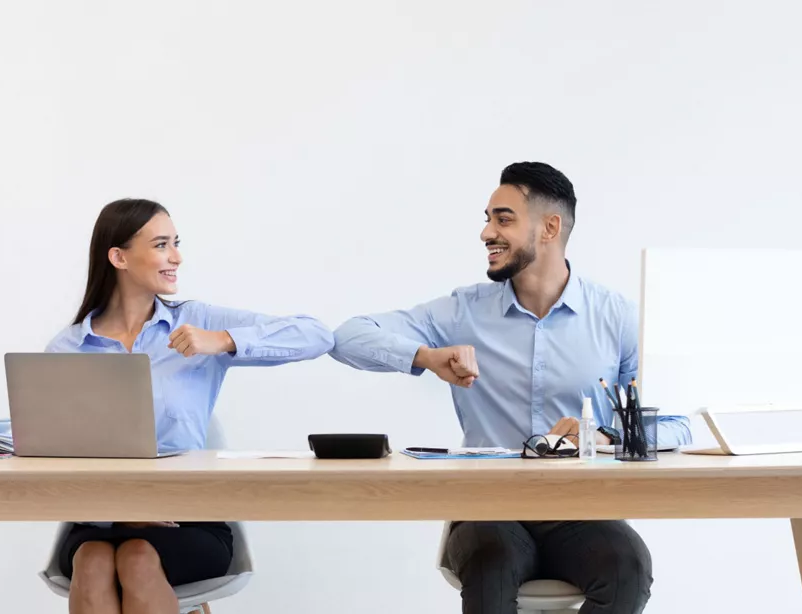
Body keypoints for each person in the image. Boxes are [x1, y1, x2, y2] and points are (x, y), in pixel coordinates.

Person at [330, 162, 687, 614]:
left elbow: (678, 425)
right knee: (493, 563)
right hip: (487, 506)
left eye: (503, 219)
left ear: (549, 227)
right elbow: (348, 336)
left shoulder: (616, 318)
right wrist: (427, 357)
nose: (485, 233)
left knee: (626, 567)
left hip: (581, 510)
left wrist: (605, 437)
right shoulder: (463, 311)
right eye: (487, 218)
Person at [44, 198, 333, 614]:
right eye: (162, 244)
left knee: (138, 556)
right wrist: (121, 515)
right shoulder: (69, 348)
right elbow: (53, 445)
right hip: (101, 519)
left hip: (190, 517)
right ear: (119, 257)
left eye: (175, 243)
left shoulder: (197, 322)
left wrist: (223, 341)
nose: (176, 257)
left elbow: (317, 335)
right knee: (91, 560)